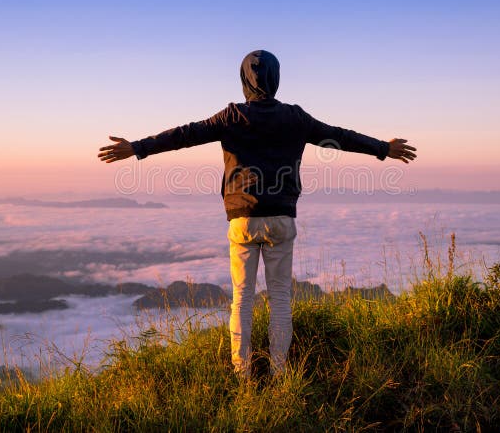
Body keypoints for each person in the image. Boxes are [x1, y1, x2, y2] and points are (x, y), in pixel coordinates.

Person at [97, 49, 417, 377]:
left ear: (243, 80)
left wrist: (137, 148)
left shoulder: (231, 116)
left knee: (241, 300)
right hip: (281, 218)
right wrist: (383, 148)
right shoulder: (296, 118)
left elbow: (185, 135)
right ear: (276, 79)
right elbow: (341, 137)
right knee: (280, 298)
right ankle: (280, 375)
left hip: (242, 220)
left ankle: (243, 375)